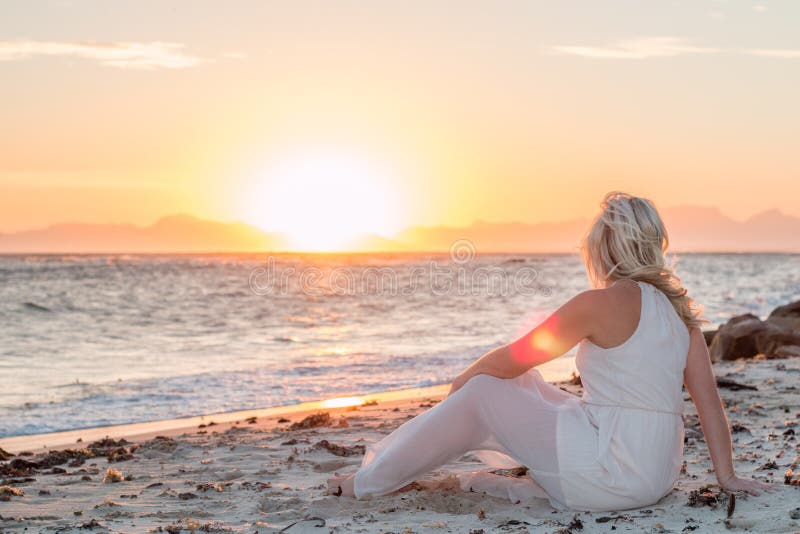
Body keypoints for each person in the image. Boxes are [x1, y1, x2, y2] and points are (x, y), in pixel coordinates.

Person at [328, 191, 772, 511]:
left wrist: (463, 382)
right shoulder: (682, 318)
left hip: (608, 472)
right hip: (655, 476)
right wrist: (727, 476)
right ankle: (519, 478)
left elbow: (513, 357)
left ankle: (368, 482)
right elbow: (710, 405)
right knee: (529, 385)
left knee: (485, 388)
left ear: (605, 249)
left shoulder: (598, 303)